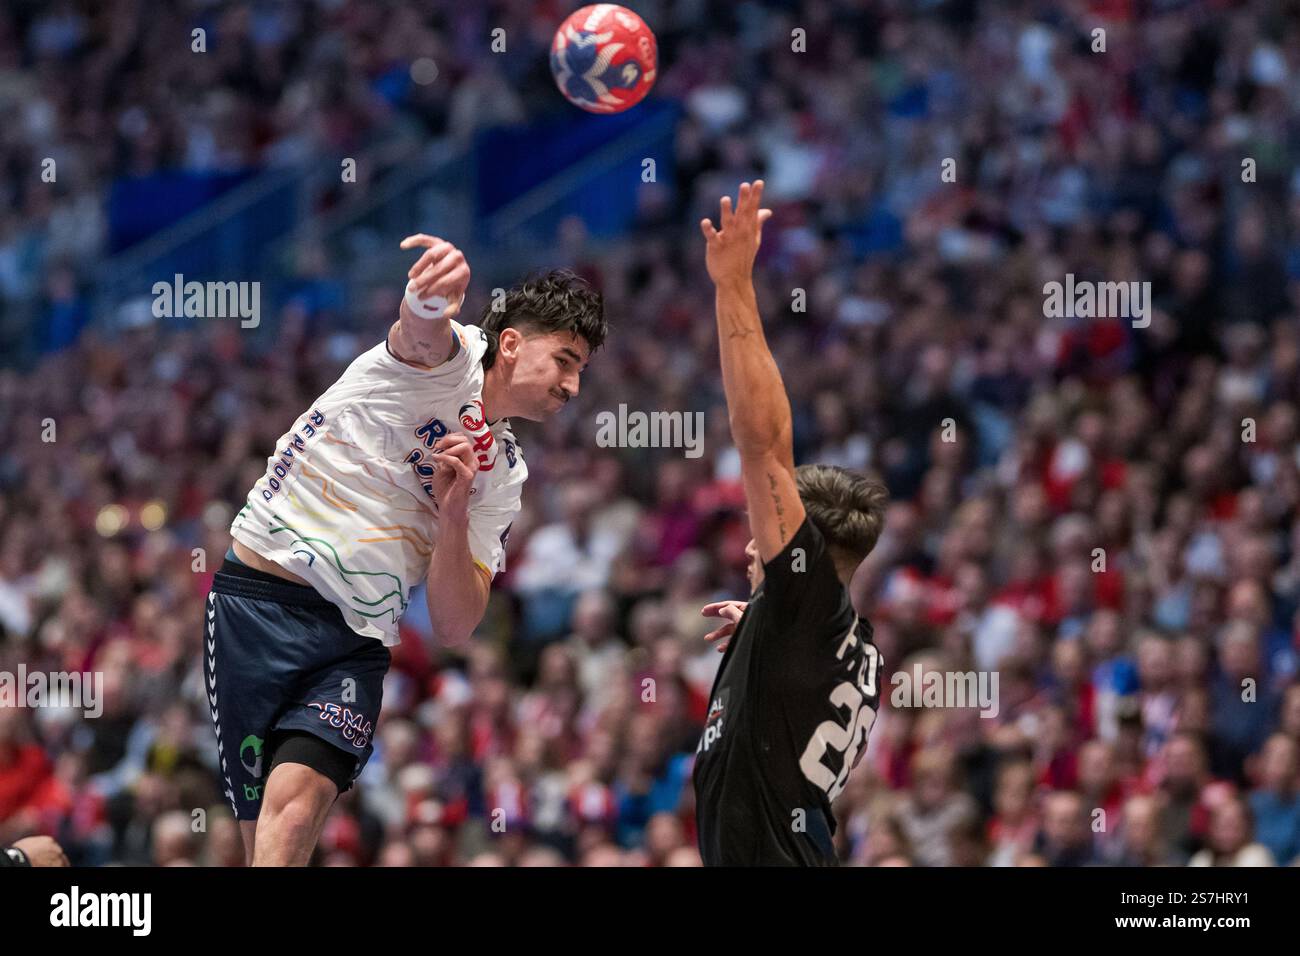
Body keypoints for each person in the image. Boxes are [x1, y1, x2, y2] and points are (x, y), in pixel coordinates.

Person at [207, 237, 607, 865]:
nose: (573, 385)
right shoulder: (449, 360)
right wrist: (429, 294)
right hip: (258, 603)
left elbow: (454, 624)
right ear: (510, 344)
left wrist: (453, 516)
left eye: (580, 370)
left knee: (299, 805)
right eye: (565, 360)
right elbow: (420, 331)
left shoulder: (503, 475)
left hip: (355, 639)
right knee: (261, 844)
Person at [691, 181, 888, 865]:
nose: (753, 541)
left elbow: (765, 445)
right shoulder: (839, 638)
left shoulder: (807, 607)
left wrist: (734, 285)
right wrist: (761, 624)